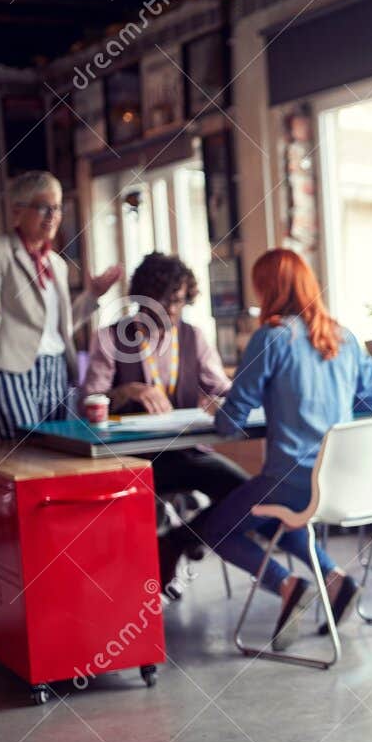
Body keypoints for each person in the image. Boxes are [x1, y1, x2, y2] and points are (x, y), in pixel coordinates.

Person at [198, 248, 372, 649]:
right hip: (338, 480)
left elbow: (231, 422)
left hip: (290, 480)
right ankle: (335, 581)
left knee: (215, 528)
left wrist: (216, 409)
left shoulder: (271, 337)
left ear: (269, 289)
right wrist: (330, 404)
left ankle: (287, 585)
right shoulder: (344, 337)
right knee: (277, 520)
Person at [80, 252, 248, 589]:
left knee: (244, 492)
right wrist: (127, 391)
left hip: (186, 454)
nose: (173, 310)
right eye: (165, 300)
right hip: (133, 460)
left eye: (180, 301)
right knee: (127, 507)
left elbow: (224, 389)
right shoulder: (111, 338)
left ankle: (178, 540)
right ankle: (147, 563)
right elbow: (89, 402)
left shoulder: (193, 337)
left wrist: (228, 397)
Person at [0, 171, 122, 438]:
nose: (52, 216)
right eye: (43, 207)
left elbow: (63, 327)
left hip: (56, 369)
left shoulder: (56, 263)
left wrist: (92, 295)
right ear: (17, 211)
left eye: (57, 208)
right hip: (11, 368)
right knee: (23, 449)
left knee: (55, 448)